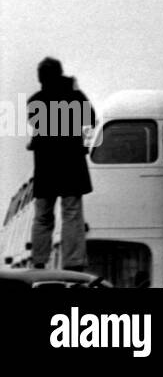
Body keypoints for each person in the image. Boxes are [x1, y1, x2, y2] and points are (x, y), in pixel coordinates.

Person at [26, 57, 95, 271]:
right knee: (71, 213)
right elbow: (91, 119)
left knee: (43, 215)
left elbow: (35, 121)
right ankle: (73, 261)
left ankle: (39, 260)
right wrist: (83, 144)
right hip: (71, 162)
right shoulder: (75, 96)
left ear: (40, 77)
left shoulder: (35, 100)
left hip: (46, 165)